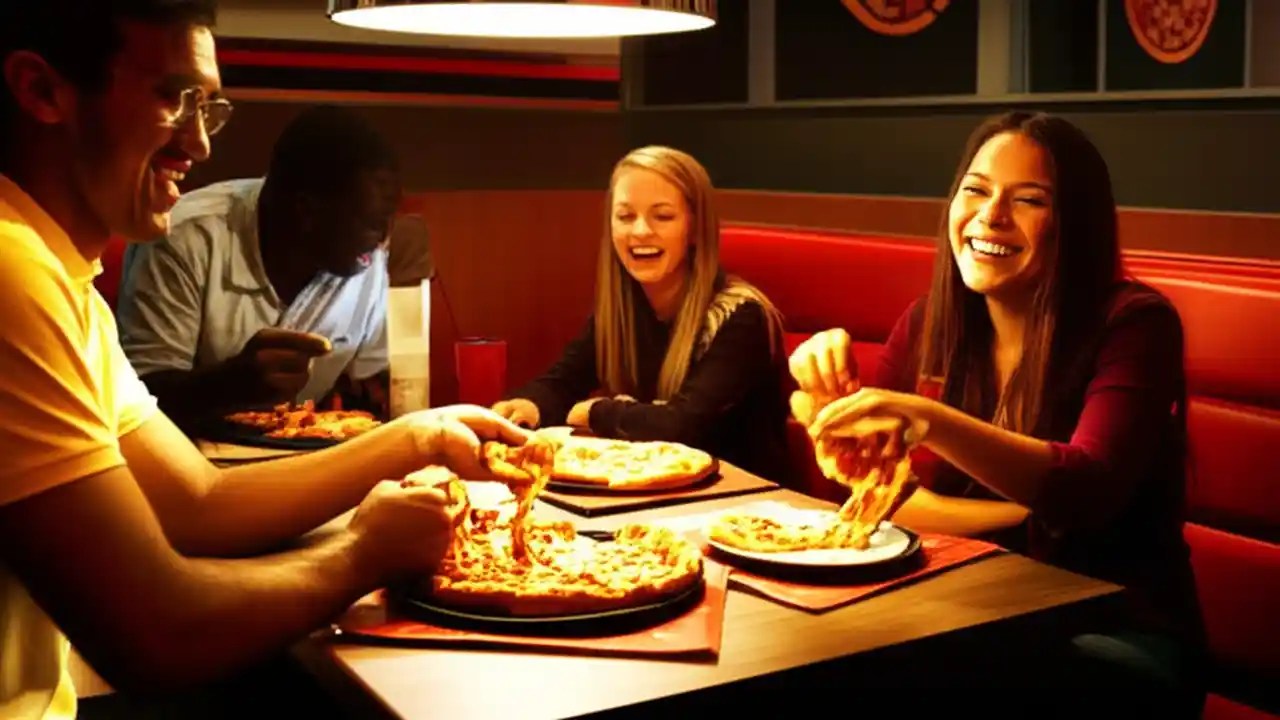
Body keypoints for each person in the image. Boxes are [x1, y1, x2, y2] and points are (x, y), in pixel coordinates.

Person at [0, 3, 531, 719]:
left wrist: (420, 437)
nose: (199, 144)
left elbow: (199, 504)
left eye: (208, 109)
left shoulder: (61, 279)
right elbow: (156, 629)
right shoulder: (11, 275)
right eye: (173, 98)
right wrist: (362, 554)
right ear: (41, 91)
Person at [789, 111, 1205, 710]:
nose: (991, 215)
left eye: (1028, 200)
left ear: (1075, 222)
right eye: (976, 190)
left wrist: (929, 421)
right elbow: (884, 496)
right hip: (970, 609)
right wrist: (829, 404)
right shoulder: (930, 324)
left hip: (1119, 633)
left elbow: (1088, 488)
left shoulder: (1136, 324)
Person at [491, 146, 790, 482]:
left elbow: (683, 426)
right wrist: (529, 406)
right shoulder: (623, 309)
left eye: (662, 216)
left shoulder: (743, 316)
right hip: (658, 493)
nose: (640, 231)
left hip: (745, 499)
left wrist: (598, 412)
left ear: (695, 228)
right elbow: (564, 381)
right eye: (625, 216)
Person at [116, 104, 400, 426]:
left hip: (305, 452)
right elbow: (133, 403)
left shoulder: (363, 258)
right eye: (371, 224)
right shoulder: (184, 237)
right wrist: (228, 386)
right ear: (307, 211)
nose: (383, 241)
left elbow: (368, 388)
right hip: (186, 450)